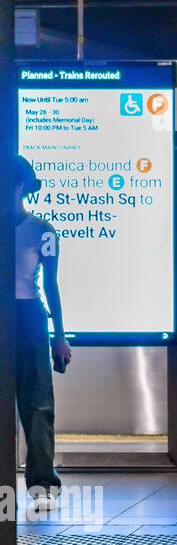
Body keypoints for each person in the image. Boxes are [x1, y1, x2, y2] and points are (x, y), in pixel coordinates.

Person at [13, 156, 72, 511]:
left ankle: (42, 484)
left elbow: (51, 286)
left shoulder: (43, 230)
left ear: (19, 186)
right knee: (33, 403)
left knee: (37, 405)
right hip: (21, 319)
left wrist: (60, 336)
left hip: (29, 319)